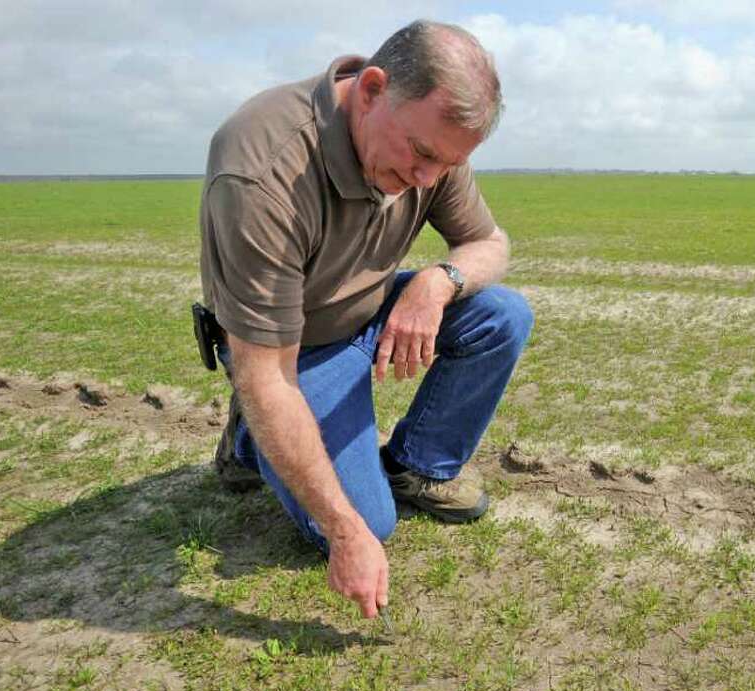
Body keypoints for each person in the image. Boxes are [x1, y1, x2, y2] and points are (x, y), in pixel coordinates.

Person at [198, 20, 532, 620]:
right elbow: (270, 370)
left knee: (500, 315)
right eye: (422, 154)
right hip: (287, 349)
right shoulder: (263, 169)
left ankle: (419, 469)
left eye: (447, 164)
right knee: (366, 522)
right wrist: (347, 534)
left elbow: (490, 244)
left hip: (369, 309)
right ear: (373, 88)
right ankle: (251, 436)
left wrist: (437, 282)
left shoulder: (434, 147)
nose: (428, 179)